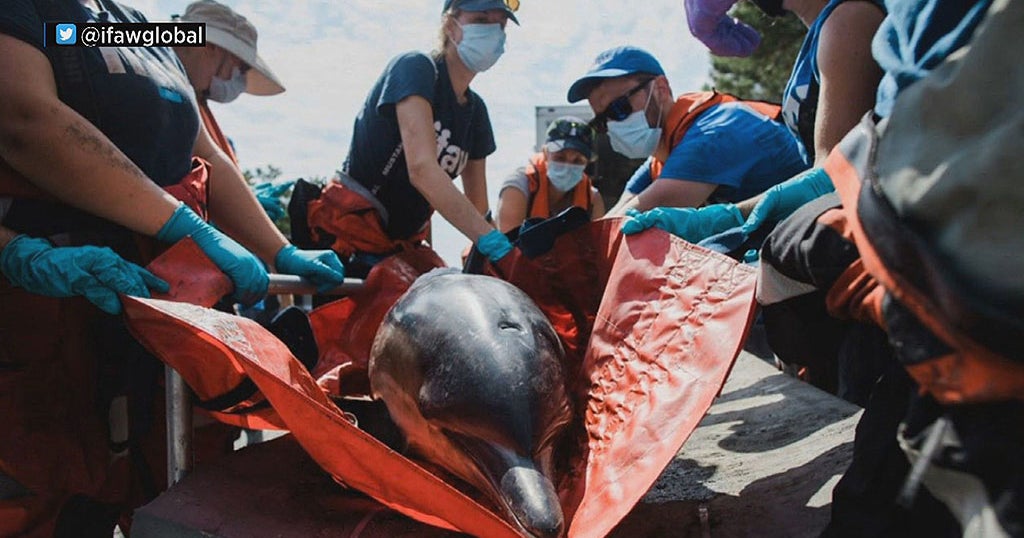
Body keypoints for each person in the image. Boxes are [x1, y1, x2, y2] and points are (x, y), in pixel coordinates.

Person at [0, 0, 344, 534]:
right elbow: (24, 118)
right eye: (233, 63)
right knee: (45, 498)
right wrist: (182, 225)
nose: (236, 77)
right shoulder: (43, 14)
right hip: (49, 311)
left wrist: (280, 251)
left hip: (151, 328)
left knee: (157, 491)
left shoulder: (136, 27)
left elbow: (205, 152)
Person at [625, 0, 884, 245]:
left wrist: (726, 218)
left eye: (619, 108)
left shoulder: (848, 18)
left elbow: (834, 176)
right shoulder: (822, 34)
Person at [304, 0, 519, 276]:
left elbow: (479, 210)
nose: (493, 31)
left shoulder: (476, 113)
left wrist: (505, 255)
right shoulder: (416, 69)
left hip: (403, 248)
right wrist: (489, 240)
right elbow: (422, 169)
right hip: (351, 240)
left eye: (500, 25)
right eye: (480, 20)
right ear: (451, 27)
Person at [565, 45, 809, 219]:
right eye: (602, 122)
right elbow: (616, 213)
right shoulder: (659, 162)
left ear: (661, 88)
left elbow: (626, 221)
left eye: (618, 109)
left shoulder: (716, 128)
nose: (612, 126)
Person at [173, 0, 286, 165]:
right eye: (241, 69)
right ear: (210, 47)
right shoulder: (158, 90)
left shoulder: (191, 98)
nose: (238, 81)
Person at [496, 116, 605, 233]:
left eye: (577, 161)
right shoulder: (519, 187)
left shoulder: (593, 199)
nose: (567, 165)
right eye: (560, 157)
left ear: (587, 163)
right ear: (545, 153)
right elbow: (507, 245)